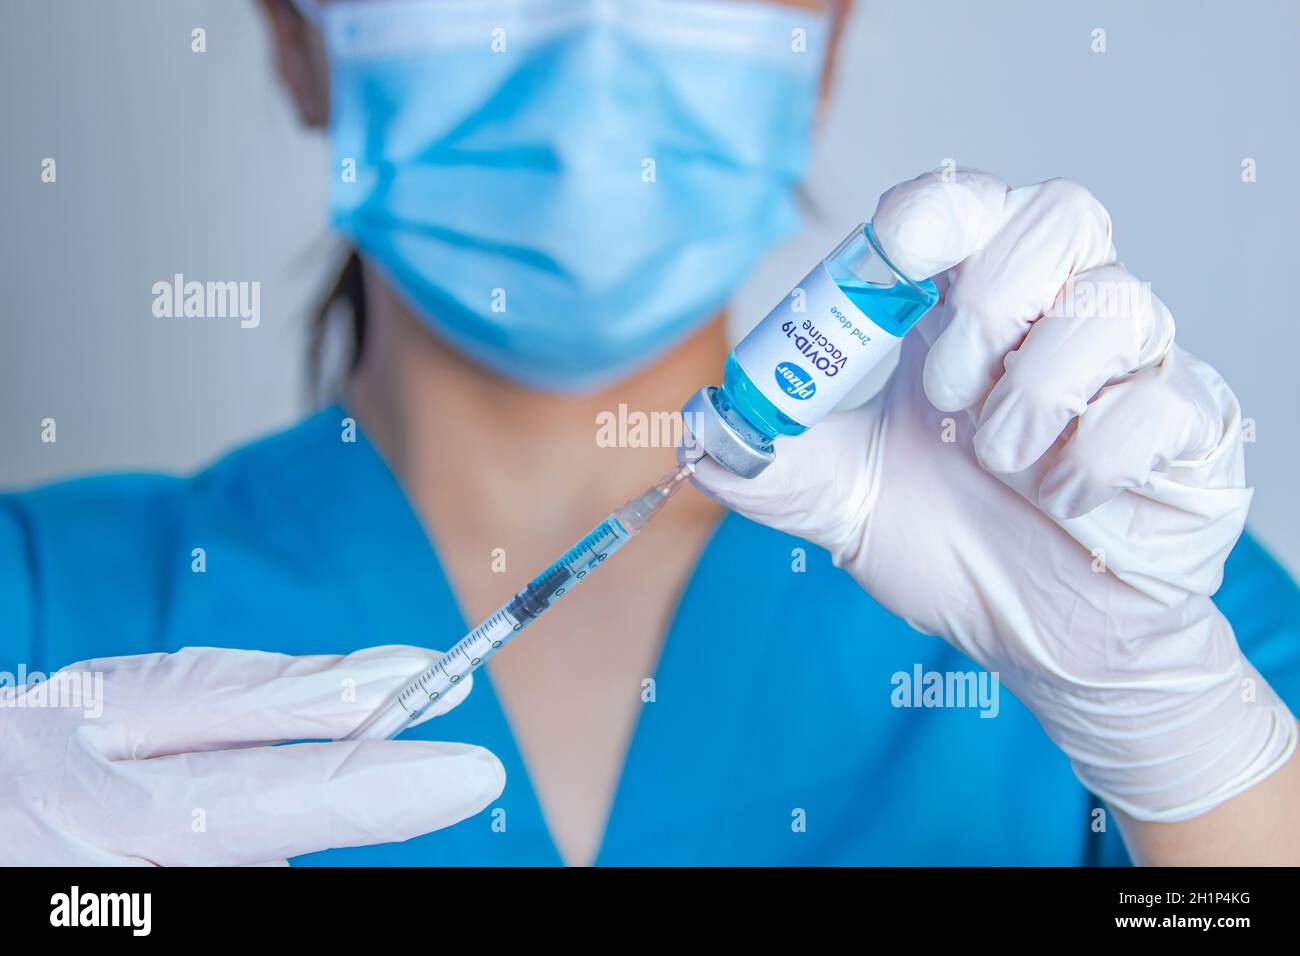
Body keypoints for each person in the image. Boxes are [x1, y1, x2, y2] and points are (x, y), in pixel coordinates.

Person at [1, 0, 1297, 867]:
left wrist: (1197, 770)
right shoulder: (39, 628)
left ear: (826, 34)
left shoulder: (1137, 597)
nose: (596, 32)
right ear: (296, 36)